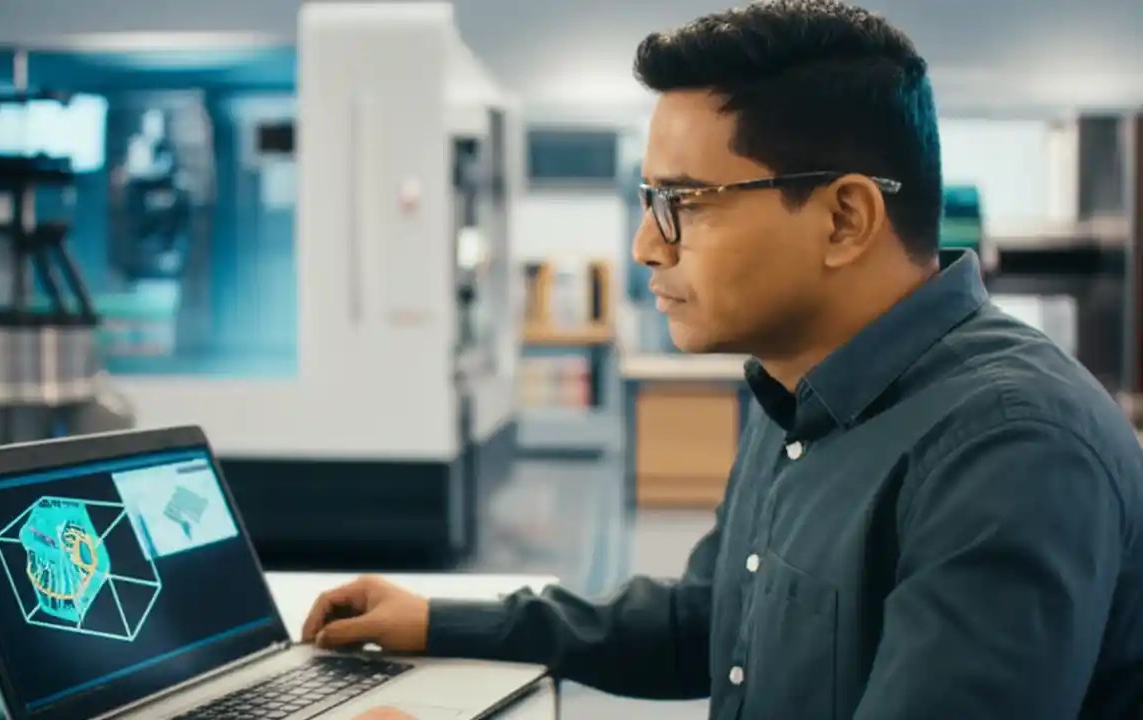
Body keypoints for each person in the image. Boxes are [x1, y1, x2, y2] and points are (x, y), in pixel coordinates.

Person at [306, 1, 1143, 718]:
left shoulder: (1010, 448)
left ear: (845, 219)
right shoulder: (798, 390)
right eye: (648, 203)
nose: (644, 246)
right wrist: (445, 621)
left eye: (681, 205)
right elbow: (711, 620)